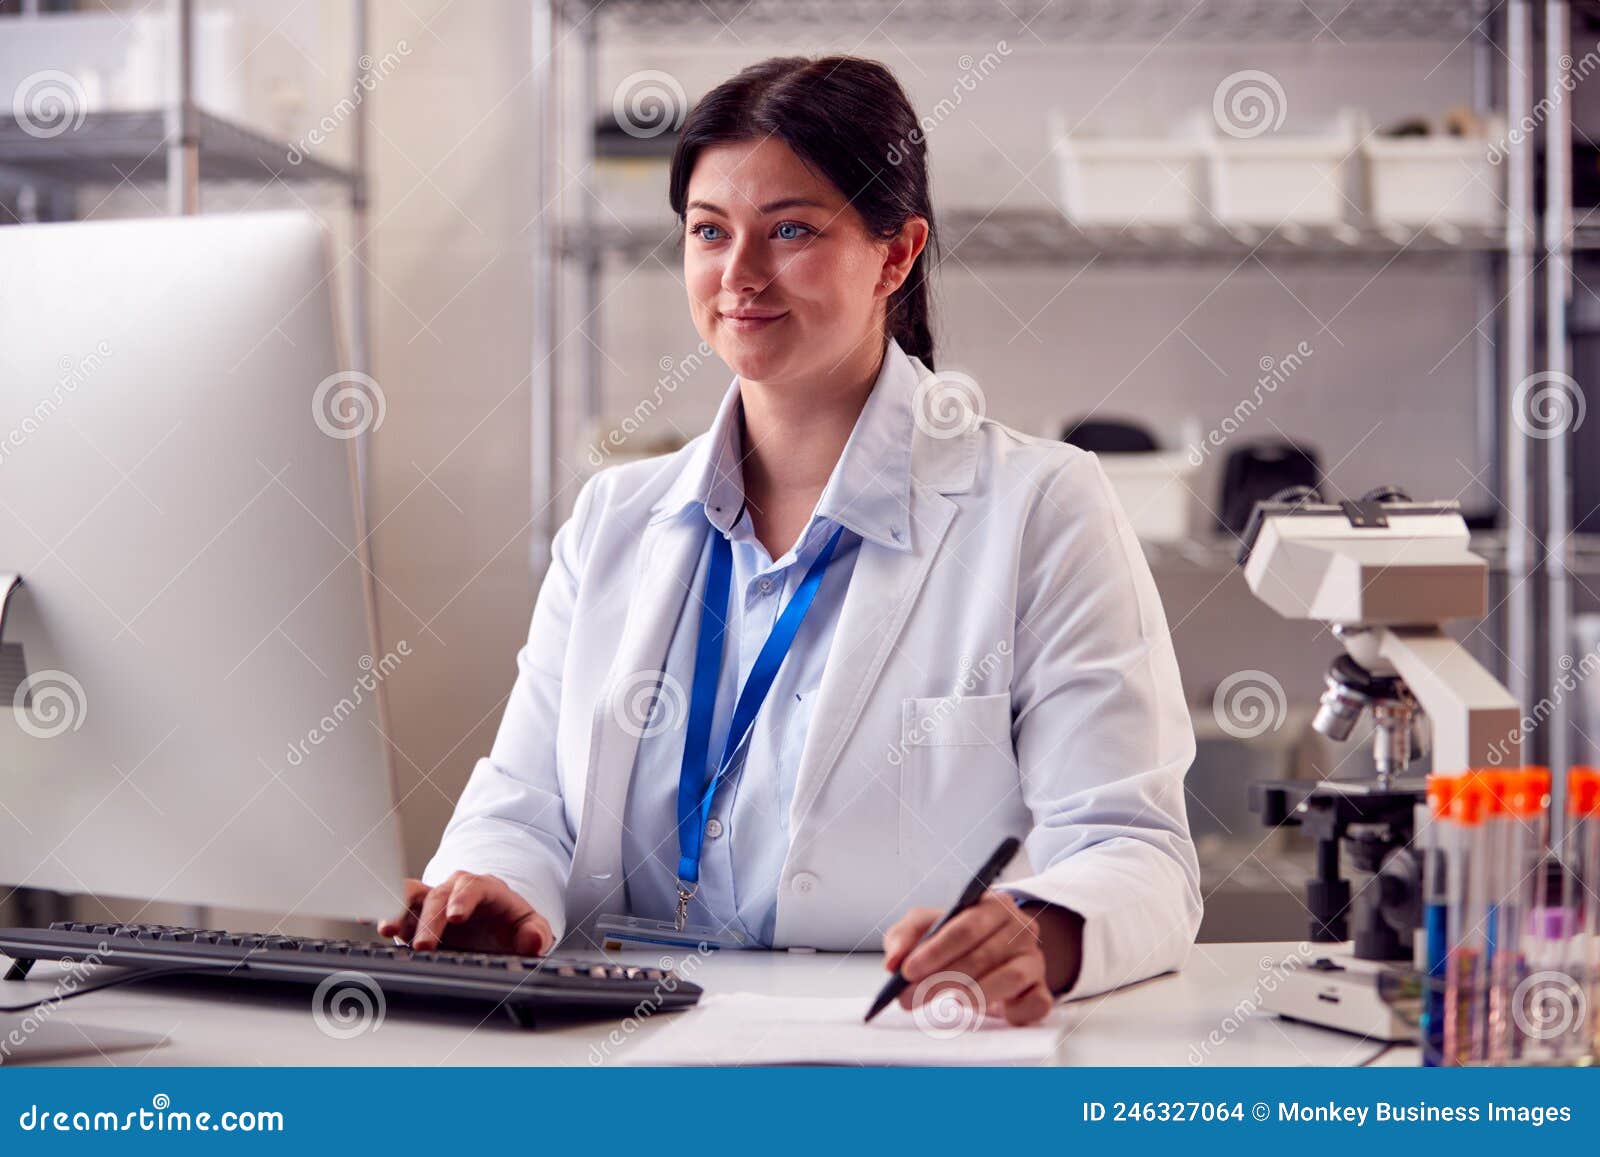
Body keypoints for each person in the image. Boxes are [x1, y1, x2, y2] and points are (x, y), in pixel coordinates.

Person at [380, 55, 1201, 1027]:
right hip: (622, 1042)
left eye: (792, 230)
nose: (739, 273)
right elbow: (524, 803)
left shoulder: (1039, 507)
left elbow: (1135, 849)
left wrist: (1036, 933)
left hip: (901, 1044)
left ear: (895, 256)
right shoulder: (615, 517)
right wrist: (495, 891)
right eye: (709, 231)